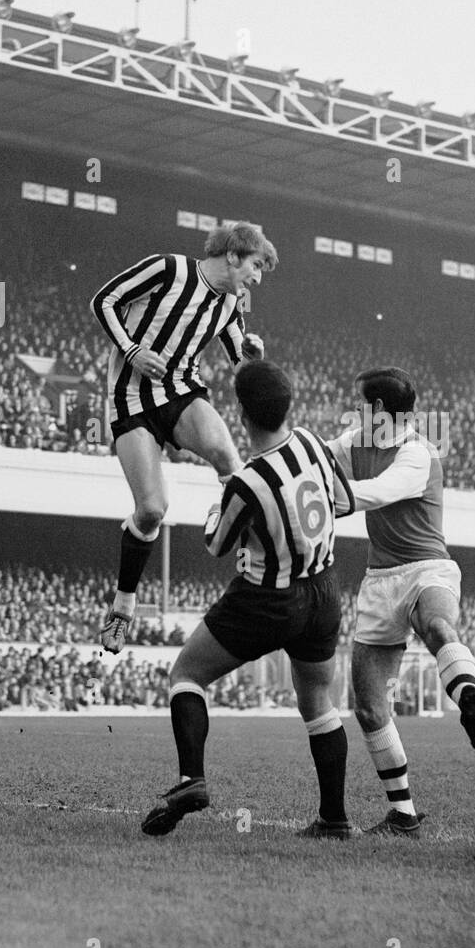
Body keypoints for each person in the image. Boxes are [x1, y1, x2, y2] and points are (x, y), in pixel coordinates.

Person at [141, 359, 357, 839]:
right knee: (319, 703)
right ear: (288, 406)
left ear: (240, 415)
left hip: (267, 598)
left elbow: (216, 543)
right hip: (324, 589)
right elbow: (342, 502)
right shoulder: (314, 445)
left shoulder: (249, 481)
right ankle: (335, 818)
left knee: (186, 675)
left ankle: (190, 779)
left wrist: (220, 504)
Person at [89, 223, 277, 654]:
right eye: (254, 265)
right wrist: (133, 349)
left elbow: (239, 365)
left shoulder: (230, 304)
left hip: (181, 393)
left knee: (232, 464)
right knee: (153, 510)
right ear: (232, 255)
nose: (257, 278)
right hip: (131, 400)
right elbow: (104, 301)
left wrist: (253, 359)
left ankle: (247, 558)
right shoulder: (168, 269)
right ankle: (122, 607)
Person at [327, 366, 475, 838]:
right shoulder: (352, 442)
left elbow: (372, 494)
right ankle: (403, 813)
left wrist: (317, 496)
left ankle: (470, 700)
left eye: (359, 401)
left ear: (378, 409)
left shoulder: (418, 453)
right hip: (379, 579)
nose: (353, 407)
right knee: (368, 706)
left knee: (438, 626)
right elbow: (314, 460)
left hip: (427, 568)